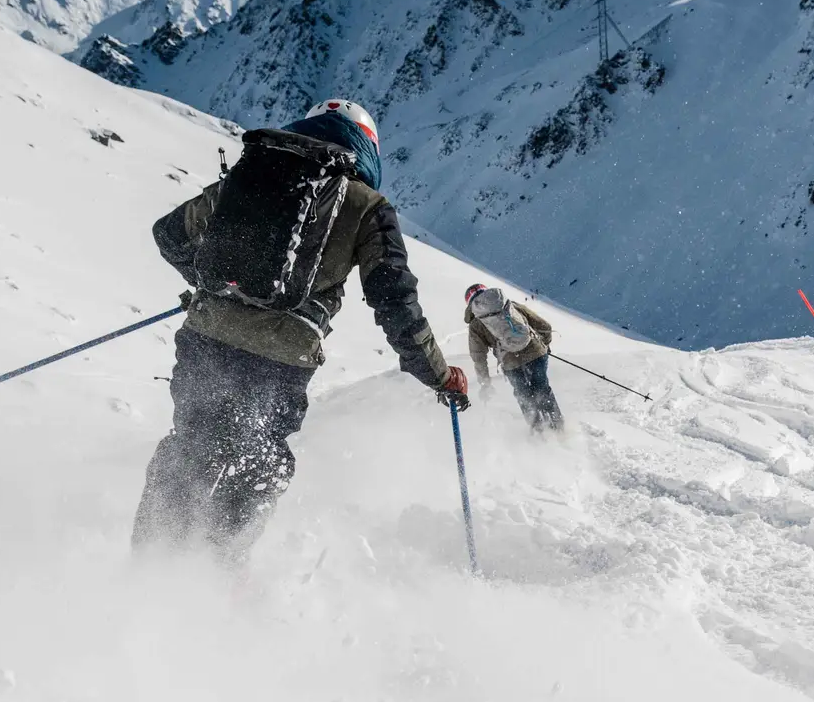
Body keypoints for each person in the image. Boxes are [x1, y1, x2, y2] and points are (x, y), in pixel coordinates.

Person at [134, 98, 469, 559]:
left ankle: (149, 565)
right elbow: (395, 301)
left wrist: (214, 290)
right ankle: (217, 572)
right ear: (368, 147)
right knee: (258, 462)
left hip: (206, 338)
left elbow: (170, 234)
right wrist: (438, 374)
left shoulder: (254, 174)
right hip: (280, 359)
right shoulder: (367, 206)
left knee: (192, 446)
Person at [464, 283, 564, 432]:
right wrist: (545, 345)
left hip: (510, 363)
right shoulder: (510, 306)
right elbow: (544, 326)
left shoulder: (476, 324)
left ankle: (539, 434)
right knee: (542, 389)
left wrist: (485, 382)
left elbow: (478, 357)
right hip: (535, 351)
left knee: (524, 396)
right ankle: (560, 429)